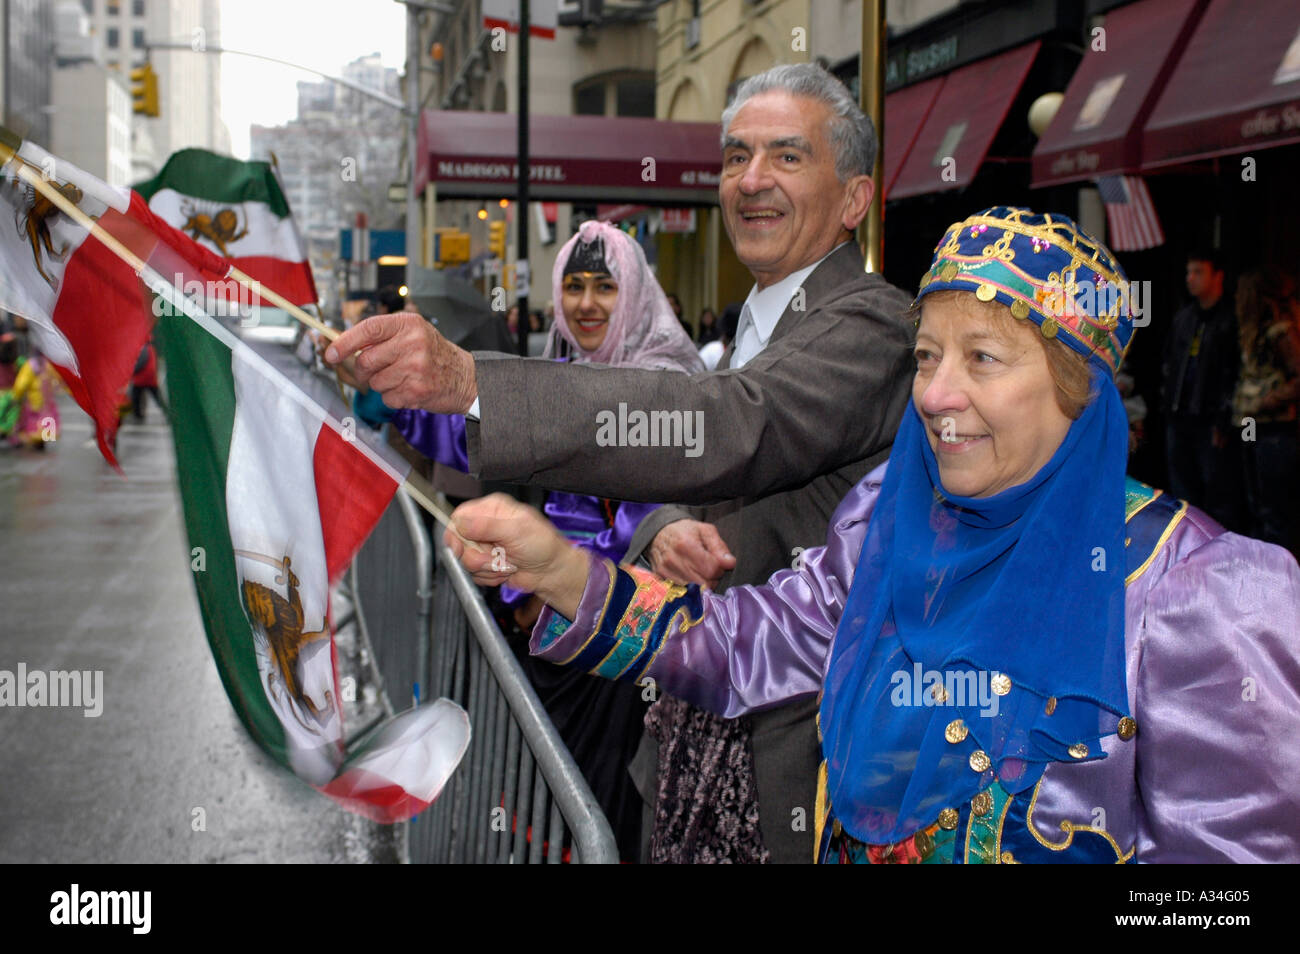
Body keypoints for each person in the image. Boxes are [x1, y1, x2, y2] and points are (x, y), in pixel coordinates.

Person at [449, 206, 1300, 863]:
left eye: (984, 359)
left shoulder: (1197, 596)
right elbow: (747, 646)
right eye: (927, 358)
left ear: (1078, 389)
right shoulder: (887, 522)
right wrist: (565, 575)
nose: (934, 394)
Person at [325, 63, 915, 863]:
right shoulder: (763, 318)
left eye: (786, 156)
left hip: (794, 775)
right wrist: (669, 527)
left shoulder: (873, 324)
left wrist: (471, 383)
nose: (751, 180)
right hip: (685, 743)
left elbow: (731, 427)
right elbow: (705, 477)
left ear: (854, 198)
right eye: (735, 156)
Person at [391, 219, 704, 861]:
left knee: (606, 808)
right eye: (575, 287)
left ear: (637, 294)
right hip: (553, 632)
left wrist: (565, 569)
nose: (586, 304)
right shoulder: (560, 373)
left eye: (605, 287)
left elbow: (652, 506)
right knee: (551, 802)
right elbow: (486, 442)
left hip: (624, 641)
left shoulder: (670, 381)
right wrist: (401, 395)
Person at [1161, 248, 1238, 525]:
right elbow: (1169, 362)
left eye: (1198, 272)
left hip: (1210, 422)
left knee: (1218, 494)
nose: (1190, 278)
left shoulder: (1231, 319)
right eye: (1188, 272)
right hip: (1179, 417)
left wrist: (1224, 420)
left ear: (1218, 276)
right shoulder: (1184, 317)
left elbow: (1234, 374)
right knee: (1183, 495)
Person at [1233, 267, 1300, 553]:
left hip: (1275, 430)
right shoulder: (1252, 333)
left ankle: (1279, 574)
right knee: (1255, 502)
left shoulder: (1281, 331)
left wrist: (1272, 397)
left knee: (1273, 508)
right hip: (1251, 426)